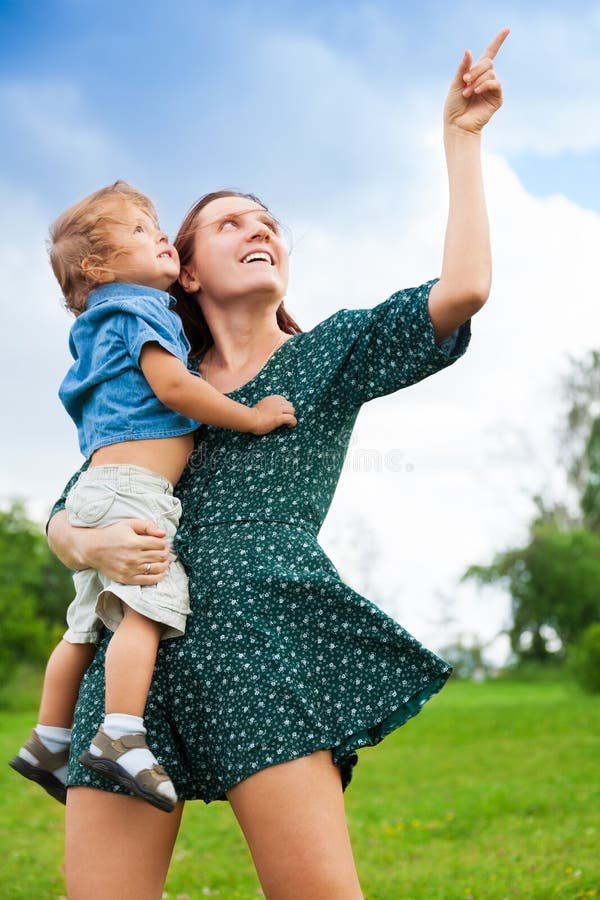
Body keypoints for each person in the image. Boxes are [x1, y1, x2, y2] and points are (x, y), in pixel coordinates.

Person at [46, 30, 508, 900]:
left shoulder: (327, 354)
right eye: (230, 222)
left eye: (268, 225)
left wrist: (463, 139)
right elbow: (71, 510)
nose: (259, 228)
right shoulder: (150, 377)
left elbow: (465, 290)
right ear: (182, 269)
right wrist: (89, 546)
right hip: (131, 659)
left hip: (264, 648)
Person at [10, 181, 296, 814]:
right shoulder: (140, 309)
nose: (159, 235)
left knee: (82, 627)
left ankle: (48, 740)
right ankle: (121, 733)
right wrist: (247, 417)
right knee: (147, 609)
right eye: (140, 230)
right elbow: (172, 386)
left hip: (100, 491)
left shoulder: (97, 322)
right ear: (97, 267)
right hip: (134, 495)